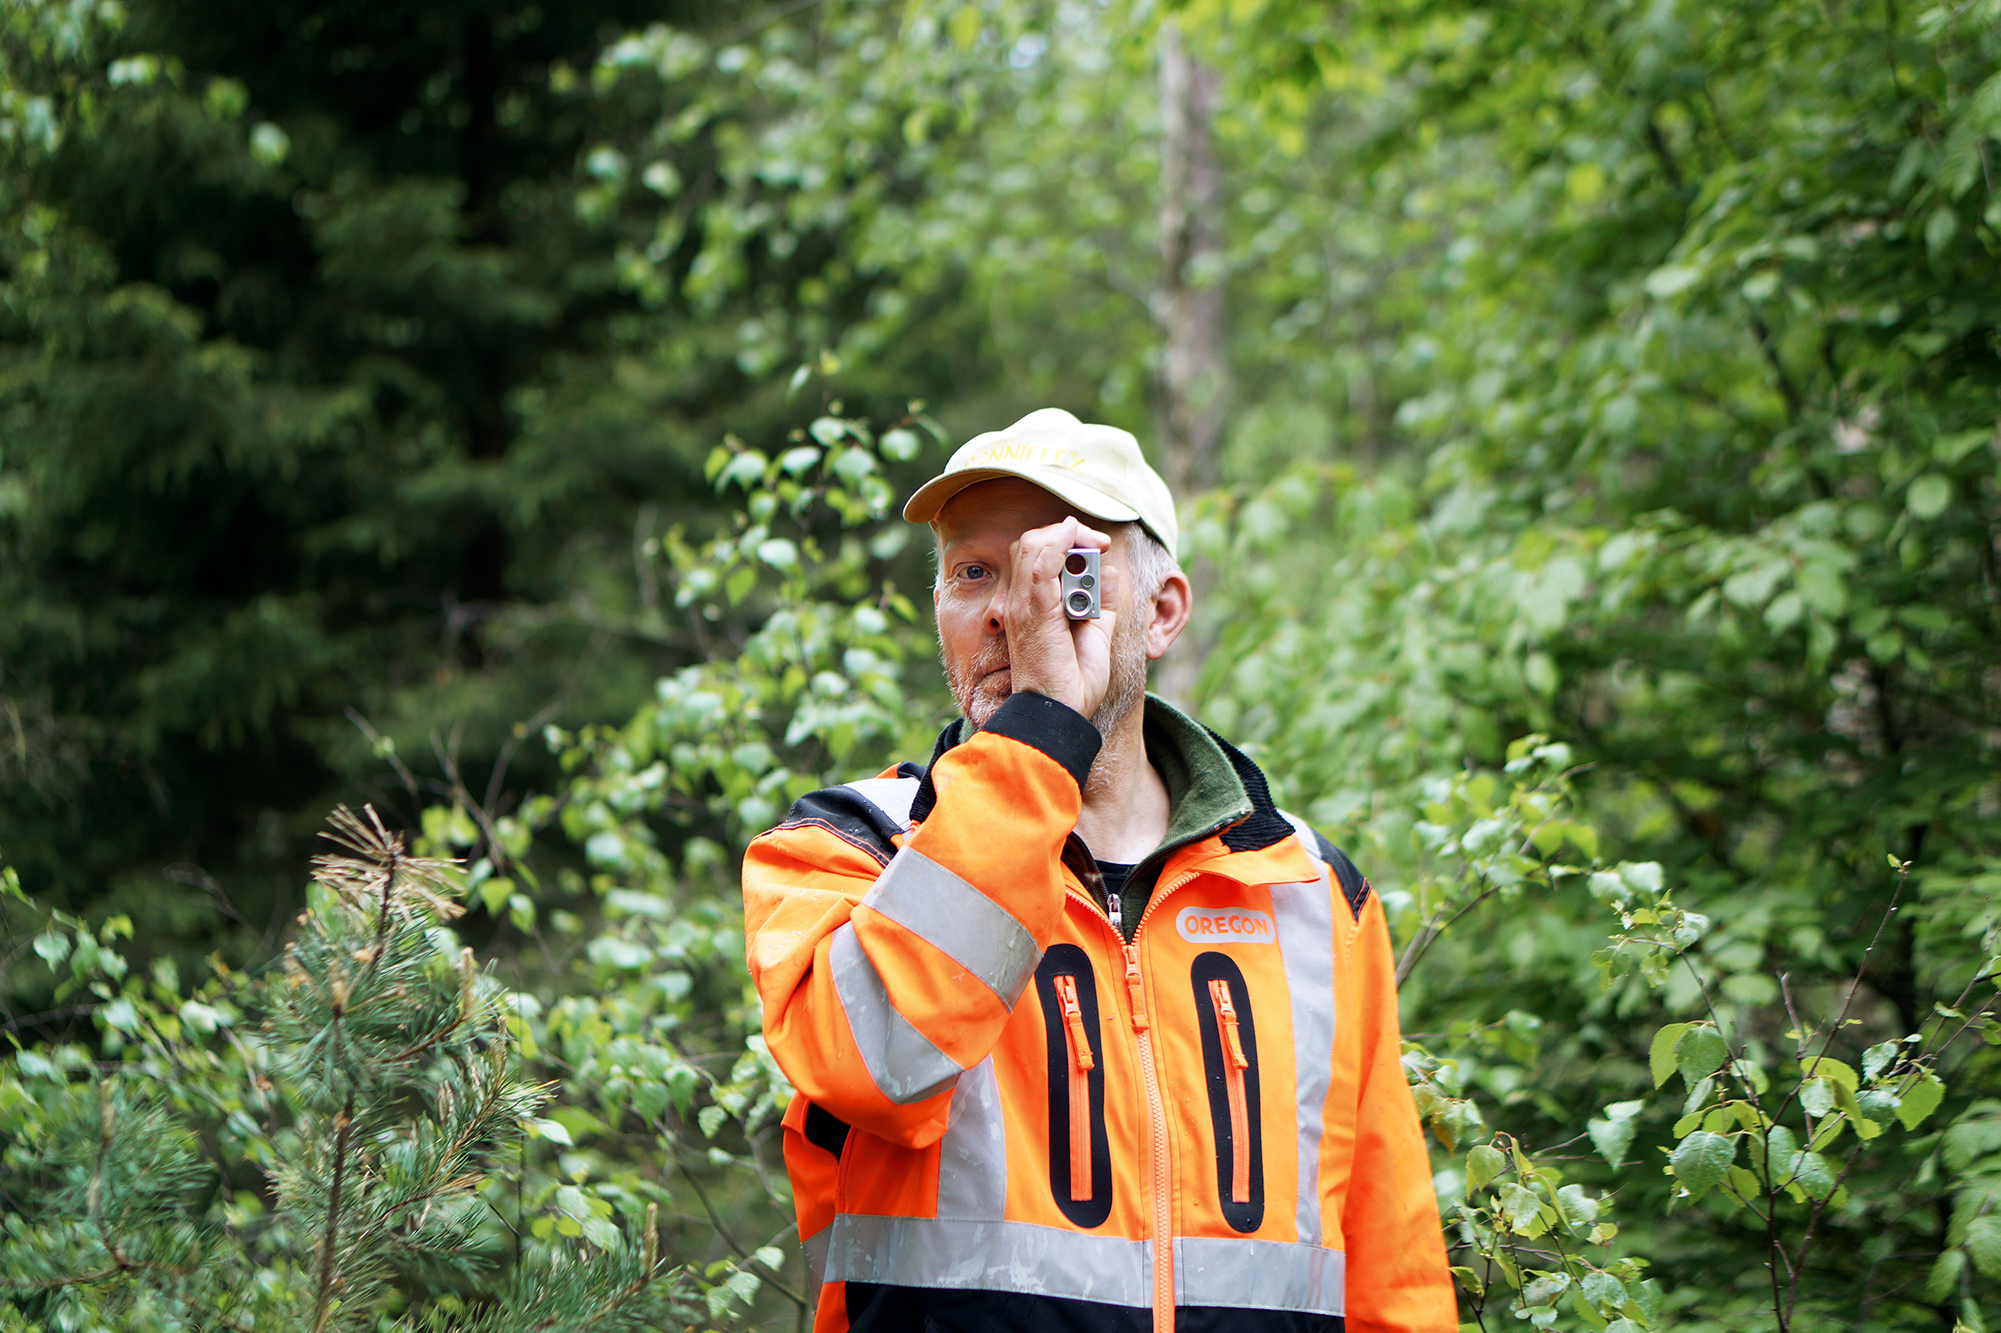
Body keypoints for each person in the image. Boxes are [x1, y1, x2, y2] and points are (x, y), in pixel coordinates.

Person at [741, 408, 1455, 1333]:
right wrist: (1042, 735)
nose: (1011, 609)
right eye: (973, 573)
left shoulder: (1310, 892)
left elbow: (1392, 1275)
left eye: (1062, 566)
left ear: (1160, 612)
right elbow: (877, 1065)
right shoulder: (847, 851)